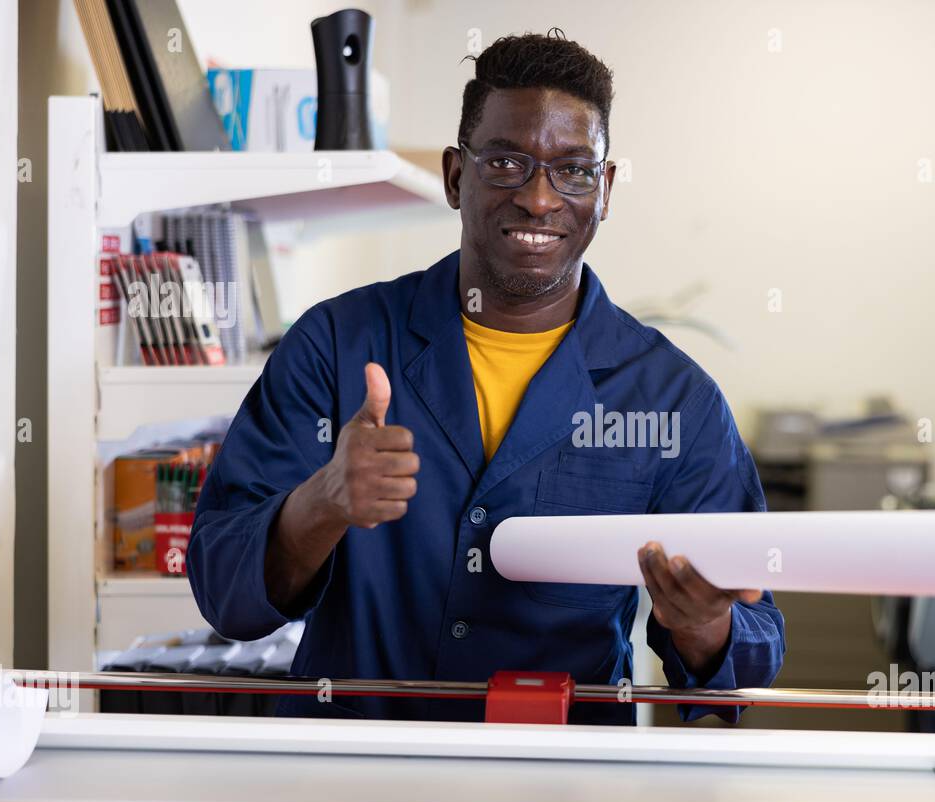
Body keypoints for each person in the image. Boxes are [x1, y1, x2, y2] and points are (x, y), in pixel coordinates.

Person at [187, 29, 785, 724]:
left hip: (559, 795)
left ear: (606, 188)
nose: (538, 198)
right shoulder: (336, 345)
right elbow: (223, 592)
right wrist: (324, 501)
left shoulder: (673, 399)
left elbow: (752, 651)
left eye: (573, 169)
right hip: (351, 781)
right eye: (505, 162)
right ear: (454, 176)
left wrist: (704, 628)